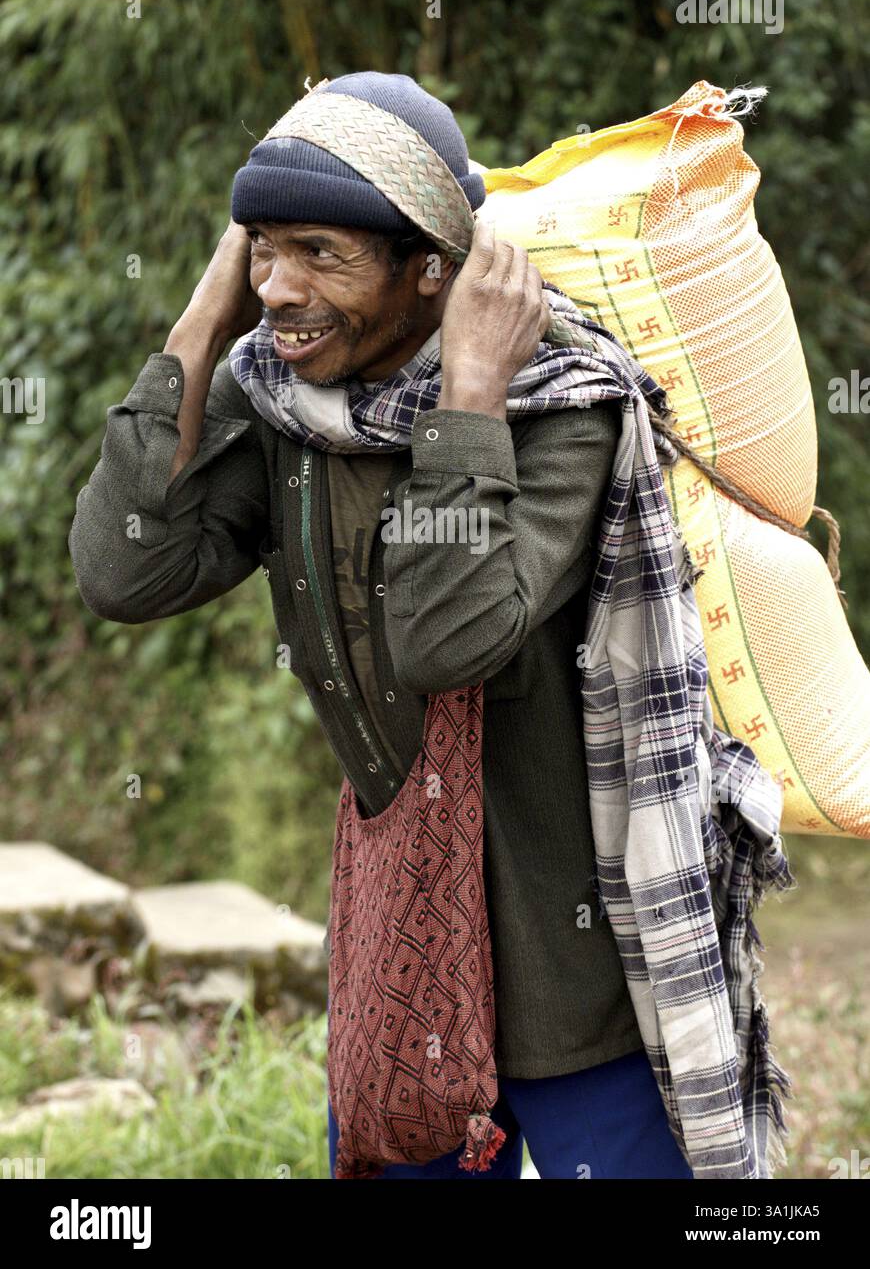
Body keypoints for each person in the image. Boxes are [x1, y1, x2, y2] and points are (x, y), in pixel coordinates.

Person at [69, 71, 697, 1179]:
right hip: (399, 955)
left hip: (573, 961)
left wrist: (469, 397)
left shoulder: (563, 409)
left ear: (431, 271)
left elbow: (449, 640)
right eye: (262, 249)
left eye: (321, 251)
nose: (280, 286)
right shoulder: (280, 400)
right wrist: (198, 329)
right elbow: (125, 567)